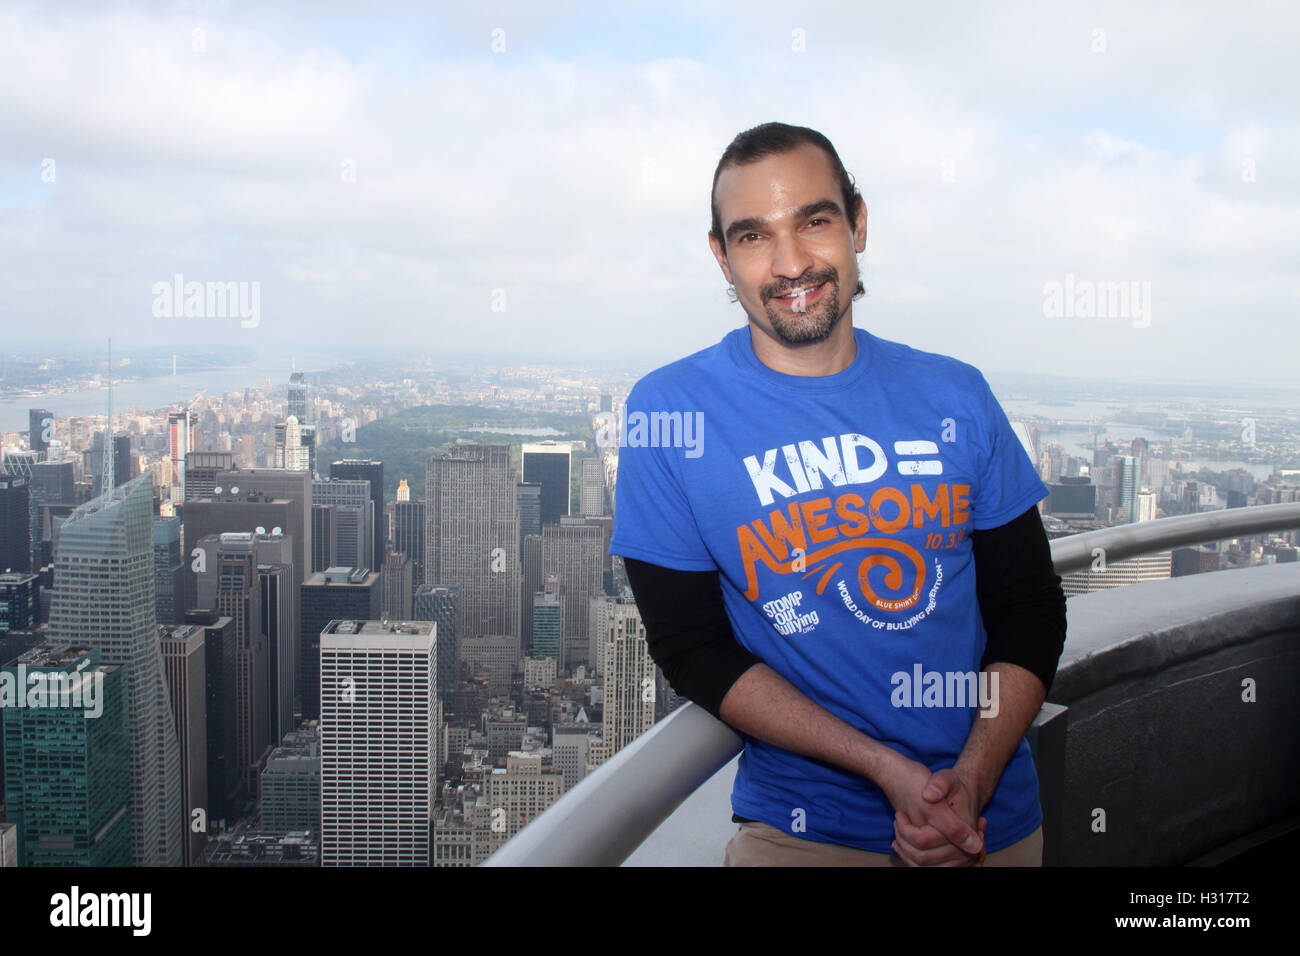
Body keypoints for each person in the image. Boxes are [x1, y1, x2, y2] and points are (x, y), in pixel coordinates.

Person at [607, 122, 1067, 867]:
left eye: (813, 221)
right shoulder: (670, 413)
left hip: (992, 827)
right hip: (803, 832)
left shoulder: (956, 391)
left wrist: (972, 780)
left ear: (857, 223)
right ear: (722, 257)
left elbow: (1029, 606)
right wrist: (887, 770)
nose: (790, 263)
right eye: (753, 237)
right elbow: (690, 646)